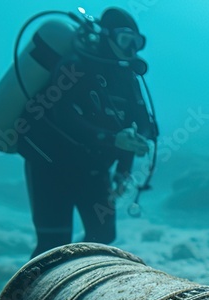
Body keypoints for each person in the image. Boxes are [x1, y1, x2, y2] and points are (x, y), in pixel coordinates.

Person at [18, 7, 157, 258]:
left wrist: (124, 171)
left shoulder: (128, 78)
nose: (131, 49)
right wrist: (113, 139)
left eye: (137, 43)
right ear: (106, 36)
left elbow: (138, 126)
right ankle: (31, 294)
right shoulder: (75, 65)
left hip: (94, 169)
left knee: (102, 237)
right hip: (51, 166)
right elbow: (65, 117)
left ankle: (78, 283)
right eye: (126, 40)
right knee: (52, 242)